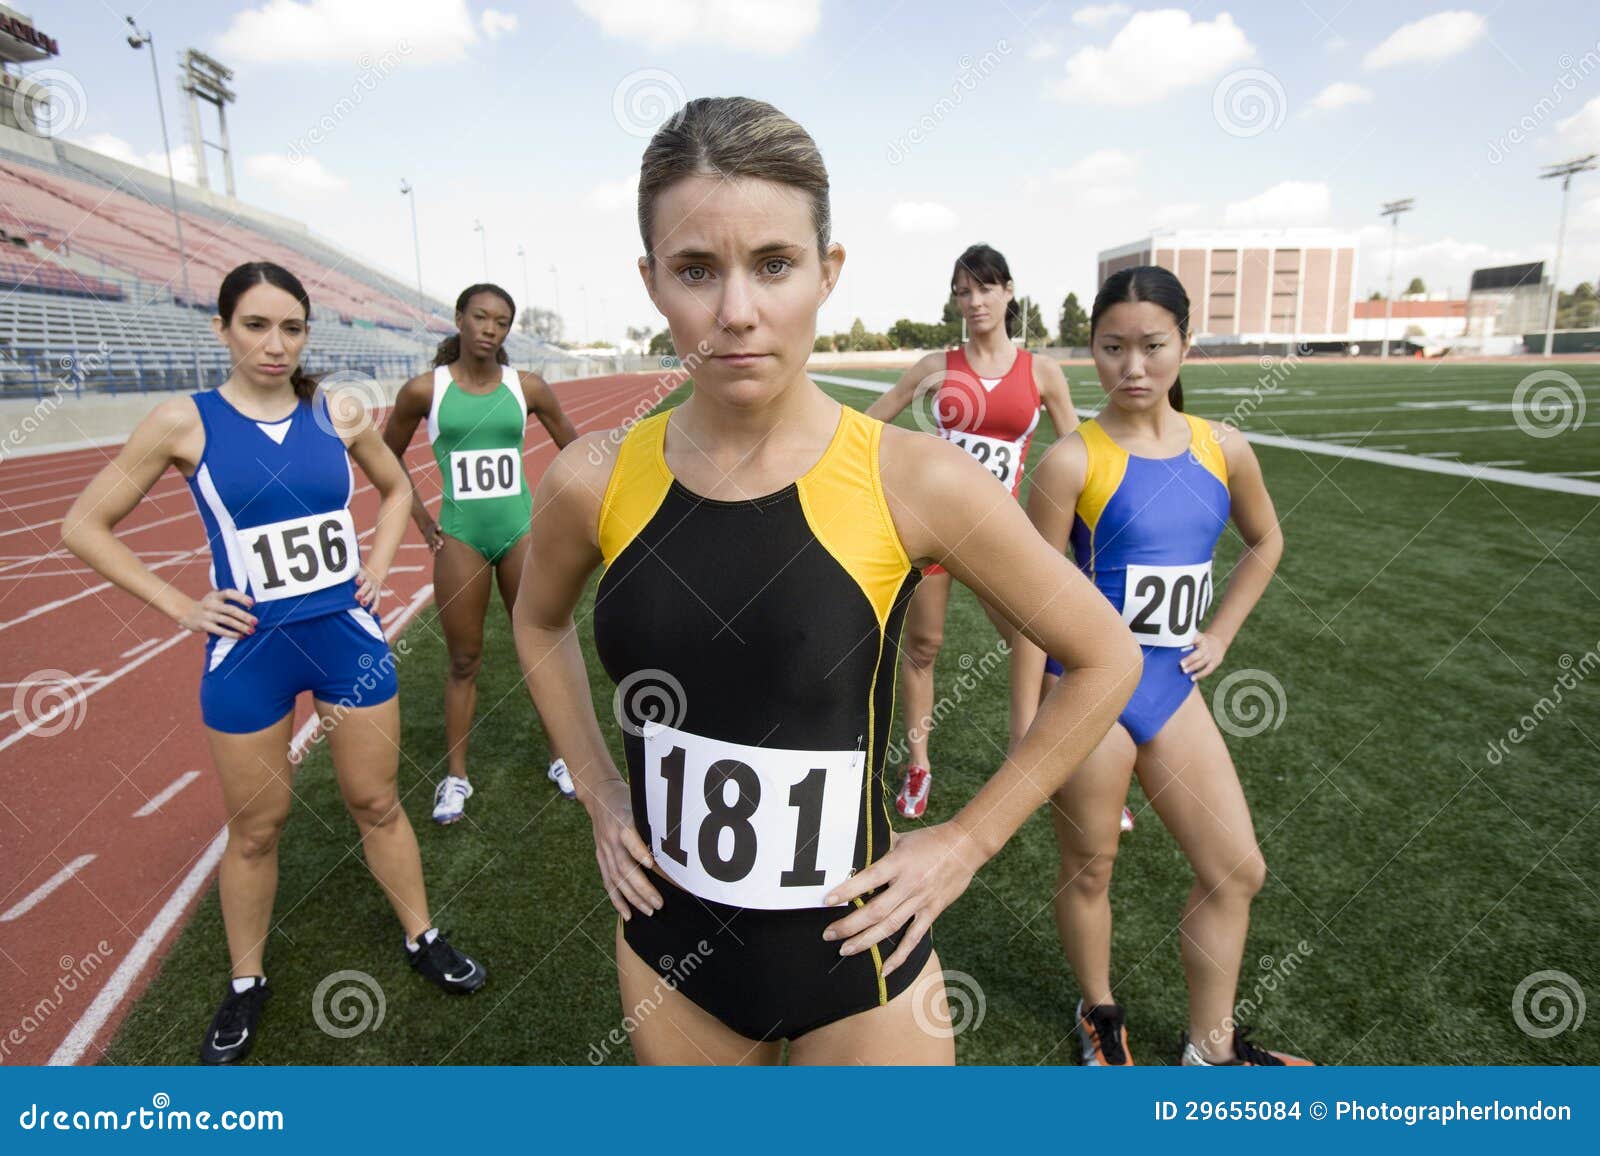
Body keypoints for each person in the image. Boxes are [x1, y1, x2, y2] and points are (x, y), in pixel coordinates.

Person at [511, 96, 1141, 1065]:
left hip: (861, 979)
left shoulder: (913, 477)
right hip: (668, 962)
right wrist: (598, 787)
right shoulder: (593, 477)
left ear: (827, 271)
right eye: (694, 270)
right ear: (650, 282)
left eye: (773, 264)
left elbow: (1105, 657)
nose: (735, 311)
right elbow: (537, 619)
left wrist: (967, 841)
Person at [61, 262, 486, 1065]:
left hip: (346, 641)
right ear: (222, 328)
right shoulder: (180, 422)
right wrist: (182, 605)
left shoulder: (338, 409)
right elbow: (84, 525)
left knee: (378, 804)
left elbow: (396, 490)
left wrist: (378, 567)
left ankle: (422, 936)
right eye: (256, 325)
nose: (275, 343)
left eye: (291, 327)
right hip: (247, 652)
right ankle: (247, 982)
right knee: (256, 829)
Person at [1013, 265, 1310, 1066]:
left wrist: (1222, 634)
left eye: (1152, 346)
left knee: (1236, 869)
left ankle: (1209, 1048)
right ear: (1093, 350)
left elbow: (1265, 542)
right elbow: (1032, 607)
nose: (1132, 368)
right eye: (1112, 348)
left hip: (1173, 691)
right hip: (1087, 696)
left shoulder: (1224, 448)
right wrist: (1025, 724)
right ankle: (1098, 1013)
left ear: (1186, 345)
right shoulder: (1070, 462)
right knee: (1090, 869)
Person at [863, 244, 1076, 819]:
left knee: (1039, 641)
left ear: (1009, 291)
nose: (974, 300)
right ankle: (919, 767)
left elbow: (1079, 452)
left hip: (1000, 535)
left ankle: (1031, 759)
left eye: (984, 288)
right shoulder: (937, 367)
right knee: (924, 647)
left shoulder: (1043, 373)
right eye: (963, 290)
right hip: (934, 534)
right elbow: (872, 421)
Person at [383, 283, 580, 824]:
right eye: (481, 317)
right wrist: (422, 520)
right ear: (460, 320)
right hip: (461, 537)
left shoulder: (529, 387)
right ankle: (456, 777)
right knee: (464, 660)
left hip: (520, 533)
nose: (490, 329)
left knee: (539, 649)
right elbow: (385, 455)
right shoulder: (425, 391)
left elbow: (579, 449)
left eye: (501, 321)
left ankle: (563, 758)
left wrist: (559, 512)